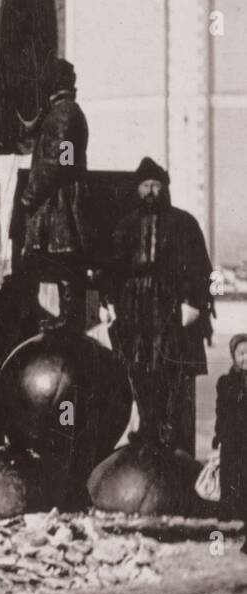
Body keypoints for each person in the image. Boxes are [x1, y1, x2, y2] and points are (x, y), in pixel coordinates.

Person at [104, 157, 213, 454]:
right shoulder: (125, 225)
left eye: (156, 184)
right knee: (138, 367)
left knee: (170, 367)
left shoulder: (183, 222)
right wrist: (109, 301)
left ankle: (171, 430)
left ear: (164, 187)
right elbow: (113, 268)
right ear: (137, 189)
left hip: (170, 305)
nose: (151, 190)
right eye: (145, 185)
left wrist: (194, 302)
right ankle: (148, 426)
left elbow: (201, 267)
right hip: (133, 307)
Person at [18, 59, 90, 326]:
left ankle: (67, 318)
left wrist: (30, 197)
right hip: (61, 197)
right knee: (62, 262)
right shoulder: (64, 111)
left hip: (58, 202)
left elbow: (59, 161)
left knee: (63, 261)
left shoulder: (63, 113)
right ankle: (65, 317)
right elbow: (65, 158)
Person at [212, 334, 247, 551]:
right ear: (234, 356)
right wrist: (218, 436)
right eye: (241, 354)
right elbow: (221, 412)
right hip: (233, 444)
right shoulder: (225, 382)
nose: (246, 358)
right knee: (237, 484)